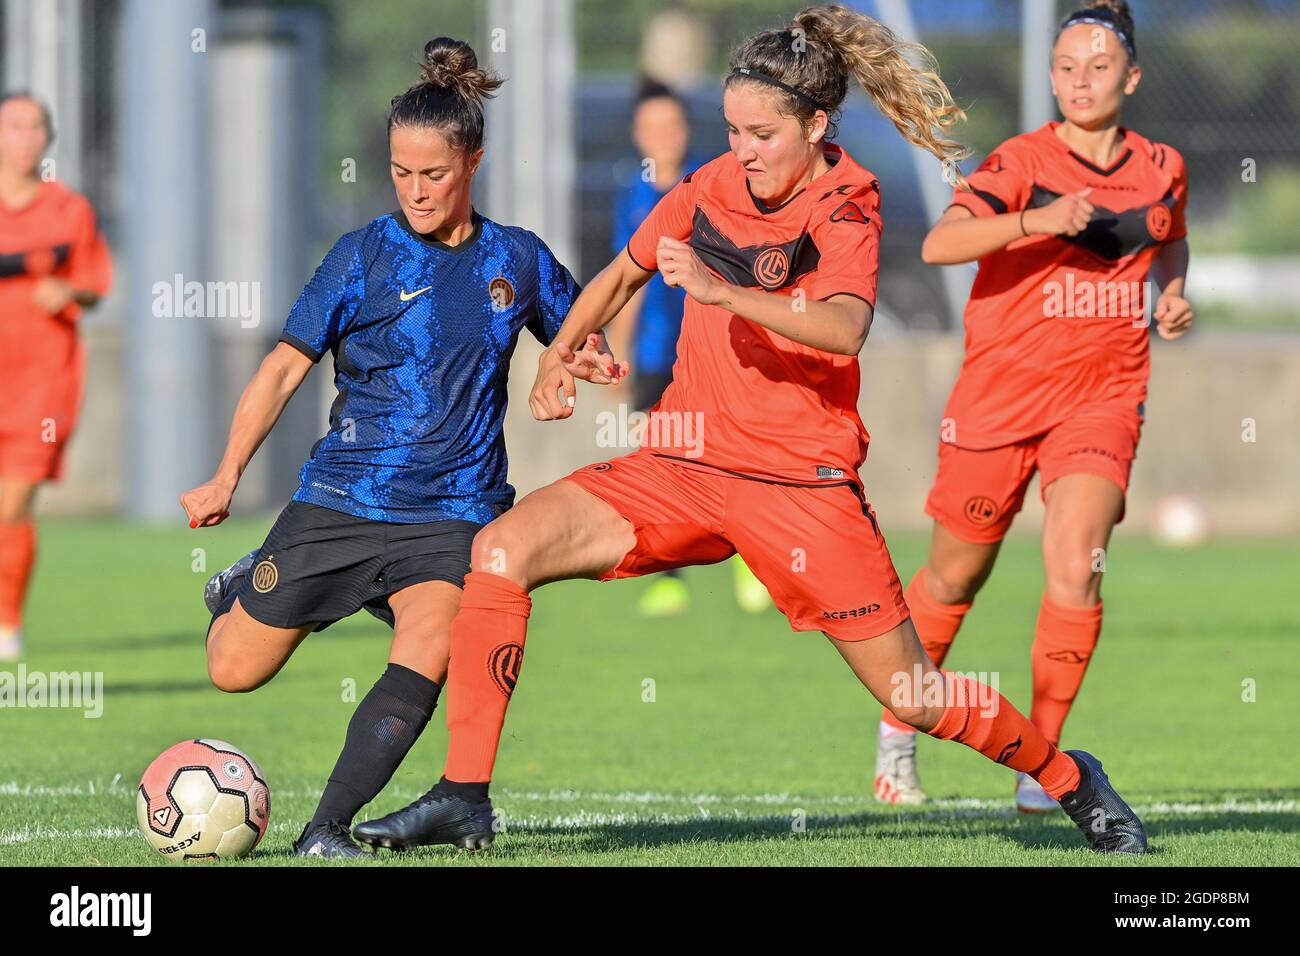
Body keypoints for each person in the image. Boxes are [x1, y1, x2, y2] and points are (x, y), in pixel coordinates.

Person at [355, 4, 1148, 856]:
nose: (744, 149)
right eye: (733, 129)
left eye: (763, 133)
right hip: (682, 466)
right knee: (501, 553)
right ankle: (464, 794)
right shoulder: (707, 187)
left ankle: (1071, 779)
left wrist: (725, 292)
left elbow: (845, 325)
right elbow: (624, 272)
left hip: (799, 489)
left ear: (816, 126)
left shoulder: (850, 201)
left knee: (915, 696)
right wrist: (558, 357)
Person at [178, 38, 607, 857]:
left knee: (433, 644)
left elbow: (581, 335)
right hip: (342, 499)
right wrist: (225, 474)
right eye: (399, 172)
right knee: (232, 669)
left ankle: (324, 830)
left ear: (473, 161)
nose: (414, 190)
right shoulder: (360, 256)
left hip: (455, 514)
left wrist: (583, 359)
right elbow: (279, 370)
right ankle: (244, 583)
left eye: (433, 174)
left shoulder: (515, 257)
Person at [872, 0, 1192, 813]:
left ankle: (1042, 766)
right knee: (954, 573)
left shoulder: (1162, 164)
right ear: (1050, 77)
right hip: (999, 399)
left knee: (1076, 561)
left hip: (1105, 396)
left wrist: (1173, 292)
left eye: (1097, 67)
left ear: (1132, 76)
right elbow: (940, 244)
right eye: (1066, 68)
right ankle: (898, 732)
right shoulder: (1021, 161)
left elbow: (1168, 232)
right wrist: (1036, 220)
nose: (1080, 82)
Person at [609, 77, 771, 618]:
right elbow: (626, 281)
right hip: (657, 354)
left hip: (716, 349)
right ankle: (668, 577)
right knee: (660, 463)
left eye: (672, 125)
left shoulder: (714, 181)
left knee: (730, 451)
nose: (664, 136)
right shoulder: (633, 198)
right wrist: (621, 354)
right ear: (638, 133)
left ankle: (750, 557)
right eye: (652, 126)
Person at [0, 92, 111, 661]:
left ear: (48, 139)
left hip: (42, 384)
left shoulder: (68, 210)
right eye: (12, 126)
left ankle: (7, 624)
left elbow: (95, 282)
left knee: (11, 505)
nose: (23, 137)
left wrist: (69, 290)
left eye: (33, 127)